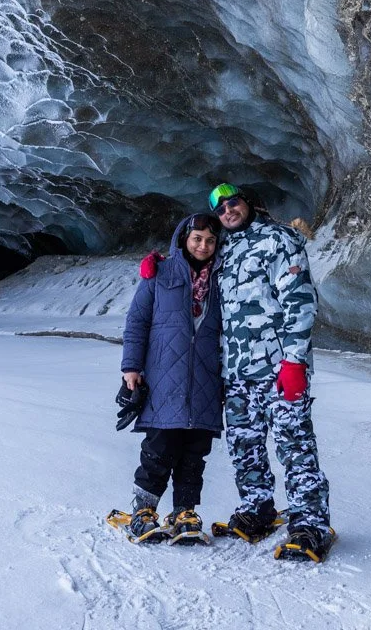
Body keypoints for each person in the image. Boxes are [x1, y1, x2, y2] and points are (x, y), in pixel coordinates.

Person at [208, 181, 333, 562]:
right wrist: (159, 269)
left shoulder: (278, 239)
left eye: (232, 203)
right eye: (220, 209)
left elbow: (300, 300)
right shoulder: (224, 250)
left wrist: (294, 361)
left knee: (294, 446)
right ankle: (258, 508)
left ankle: (310, 524)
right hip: (237, 370)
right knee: (244, 445)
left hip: (279, 367)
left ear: (247, 202)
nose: (227, 211)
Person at [118, 213, 224, 543]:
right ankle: (143, 511)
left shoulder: (224, 279)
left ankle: (184, 511)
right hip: (164, 375)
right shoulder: (159, 273)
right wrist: (131, 368)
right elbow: (137, 322)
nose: (203, 246)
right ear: (184, 239)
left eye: (210, 240)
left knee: (195, 452)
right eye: (197, 239)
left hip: (206, 378)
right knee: (159, 447)